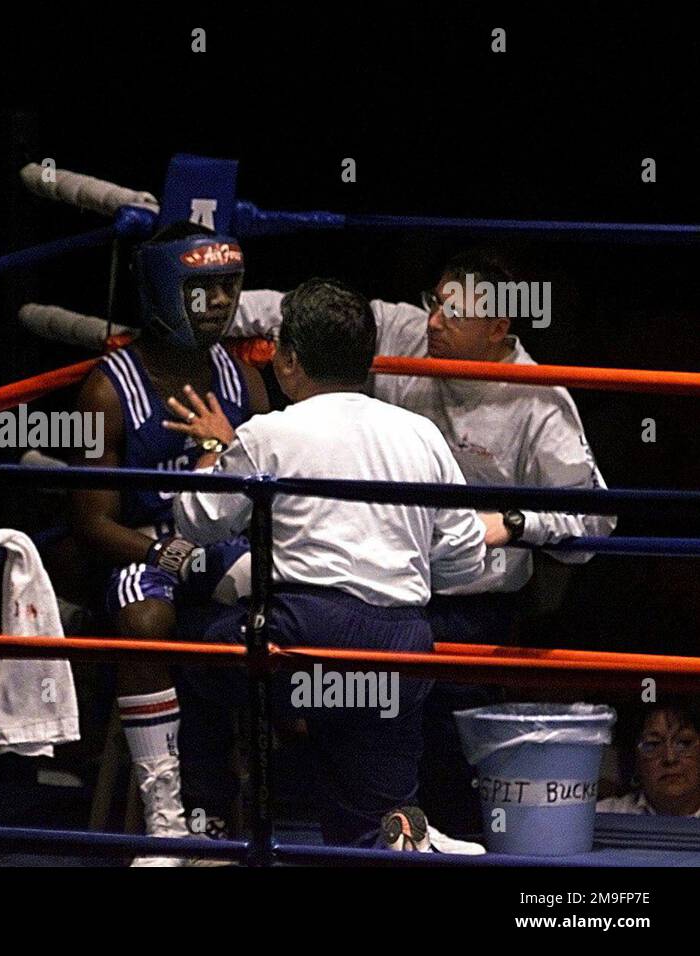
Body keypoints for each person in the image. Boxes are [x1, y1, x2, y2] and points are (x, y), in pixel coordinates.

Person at [231, 250, 616, 831]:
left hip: (469, 605)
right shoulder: (408, 334)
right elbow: (301, 314)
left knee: (437, 753)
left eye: (454, 313)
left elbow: (594, 527)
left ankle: (420, 832)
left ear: (499, 326)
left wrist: (515, 523)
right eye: (436, 302)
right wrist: (205, 310)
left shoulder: (540, 403)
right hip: (374, 587)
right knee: (329, 698)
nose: (435, 321)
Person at [172, 277, 487, 845]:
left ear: (288, 360)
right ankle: (408, 834)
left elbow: (195, 521)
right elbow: (465, 562)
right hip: (402, 648)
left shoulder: (270, 432)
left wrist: (216, 448)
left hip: (304, 644)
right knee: (371, 825)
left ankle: (204, 829)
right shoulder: (422, 435)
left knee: (192, 653)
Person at [68, 221, 270, 864]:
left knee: (285, 594)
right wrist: (166, 554)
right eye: (198, 288)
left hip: (224, 541)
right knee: (146, 614)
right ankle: (165, 817)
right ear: (160, 288)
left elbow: (270, 499)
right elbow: (91, 523)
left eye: (227, 286)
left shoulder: (245, 383)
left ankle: (277, 796)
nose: (217, 303)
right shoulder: (106, 390)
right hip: (139, 548)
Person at [598, 702, 700, 817]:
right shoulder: (599, 817)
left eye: (684, 743)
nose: (670, 758)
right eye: (653, 744)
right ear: (635, 760)